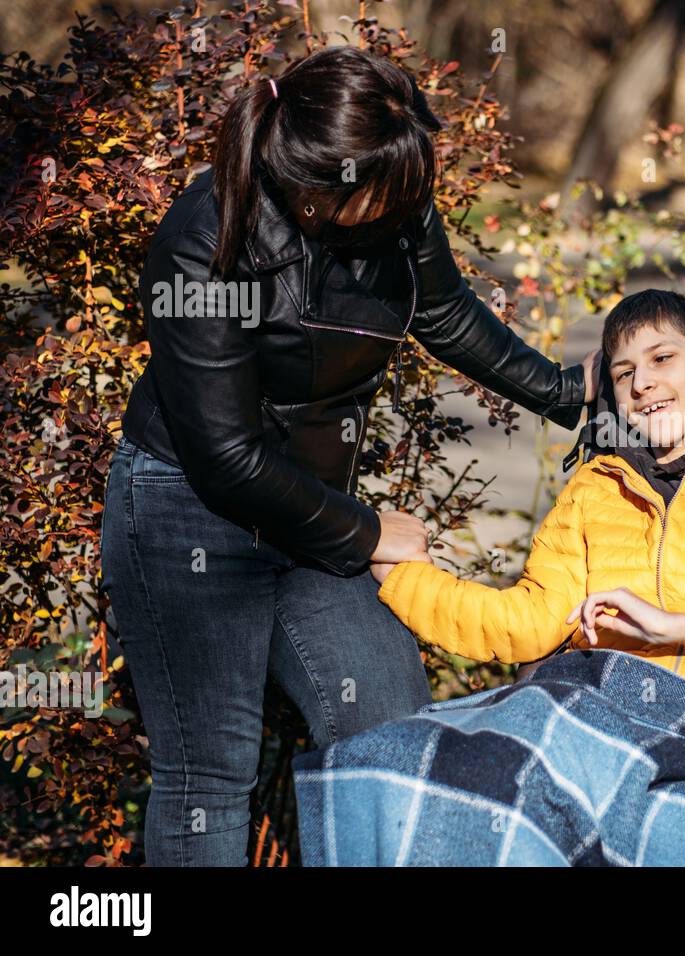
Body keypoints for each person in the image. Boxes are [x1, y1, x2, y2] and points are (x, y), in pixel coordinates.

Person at [99, 45, 598, 866]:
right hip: (190, 508)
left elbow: (444, 314)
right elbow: (225, 456)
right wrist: (367, 533)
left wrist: (566, 393)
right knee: (211, 772)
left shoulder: (395, 198)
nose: (410, 205)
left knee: (390, 728)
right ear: (316, 189)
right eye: (389, 192)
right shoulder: (204, 238)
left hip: (311, 516)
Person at [292, 289, 685, 866]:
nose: (642, 383)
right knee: (394, 758)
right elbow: (528, 623)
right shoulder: (596, 490)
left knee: (516, 767)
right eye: (624, 373)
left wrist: (684, 627)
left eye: (662, 358)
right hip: (591, 713)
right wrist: (407, 575)